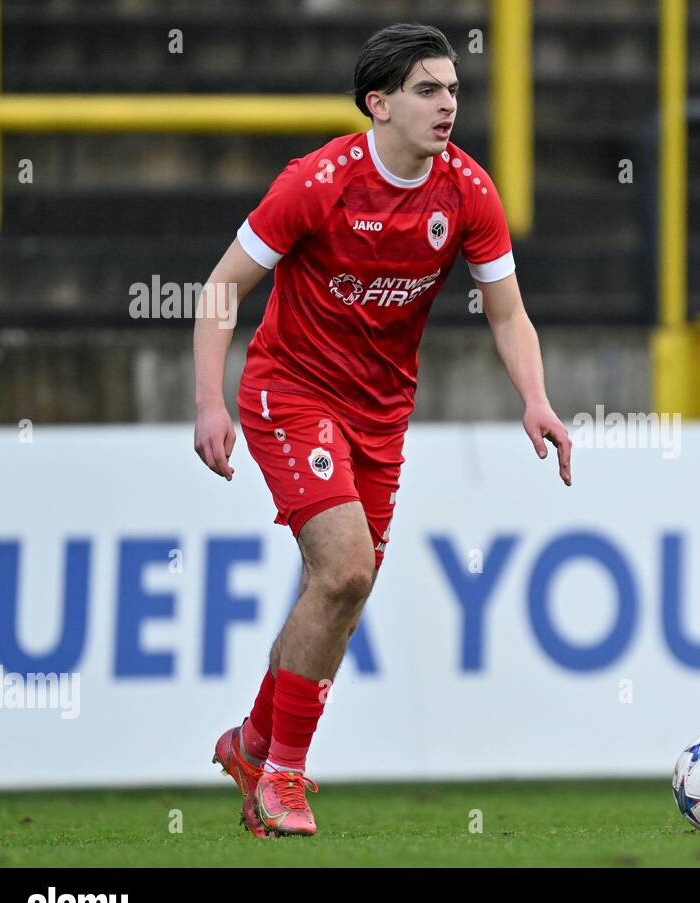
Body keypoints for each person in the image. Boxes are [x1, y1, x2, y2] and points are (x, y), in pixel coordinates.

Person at [192, 22, 571, 838]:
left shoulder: (467, 191)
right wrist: (209, 402)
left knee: (343, 590)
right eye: (429, 89)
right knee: (346, 568)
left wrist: (536, 397)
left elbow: (507, 312)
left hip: (381, 416)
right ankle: (282, 779)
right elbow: (223, 287)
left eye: (455, 89)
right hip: (288, 393)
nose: (448, 105)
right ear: (380, 102)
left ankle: (253, 742)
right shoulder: (318, 182)